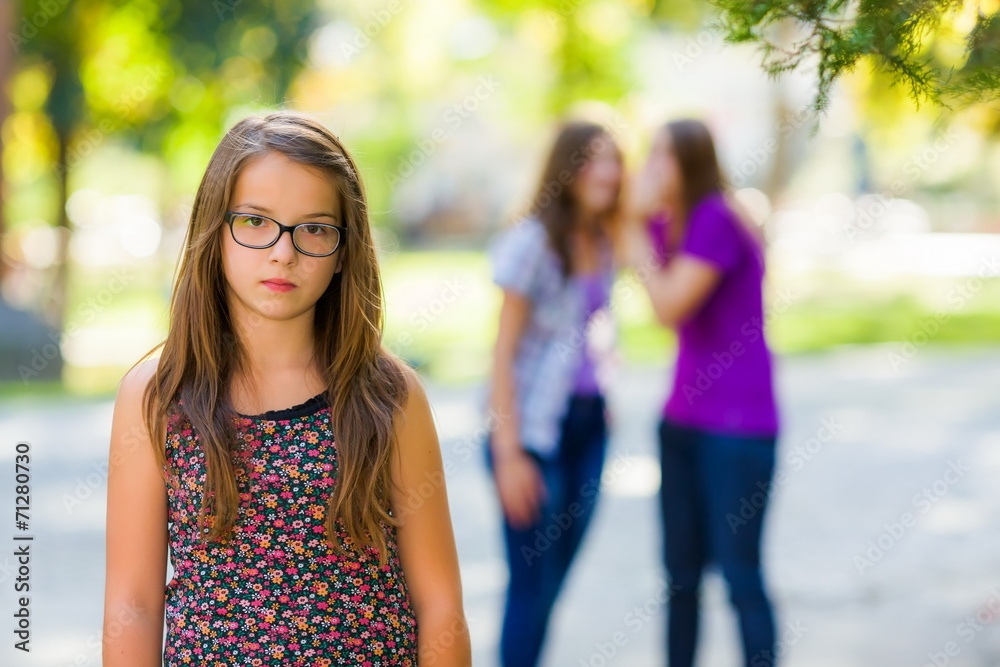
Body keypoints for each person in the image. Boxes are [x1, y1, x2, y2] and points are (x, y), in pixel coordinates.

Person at [102, 111, 471, 666]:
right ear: (214, 227)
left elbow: (440, 604)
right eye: (255, 221)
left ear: (346, 249)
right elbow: (133, 602)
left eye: (315, 228)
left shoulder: (388, 395)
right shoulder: (159, 395)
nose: (283, 252)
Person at [626, 119, 780, 667]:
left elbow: (669, 306)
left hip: (737, 428)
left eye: (661, 157)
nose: (650, 167)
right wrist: (640, 222)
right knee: (681, 580)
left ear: (689, 163)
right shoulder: (680, 221)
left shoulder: (715, 216)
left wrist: (633, 233)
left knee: (741, 577)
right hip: (684, 421)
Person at [485, 120, 623, 667]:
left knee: (554, 583)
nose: (606, 172)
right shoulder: (533, 241)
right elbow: (502, 353)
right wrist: (509, 452)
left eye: (614, 160)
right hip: (534, 434)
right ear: (565, 168)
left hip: (589, 426)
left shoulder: (604, 239)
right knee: (532, 588)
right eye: (592, 159)